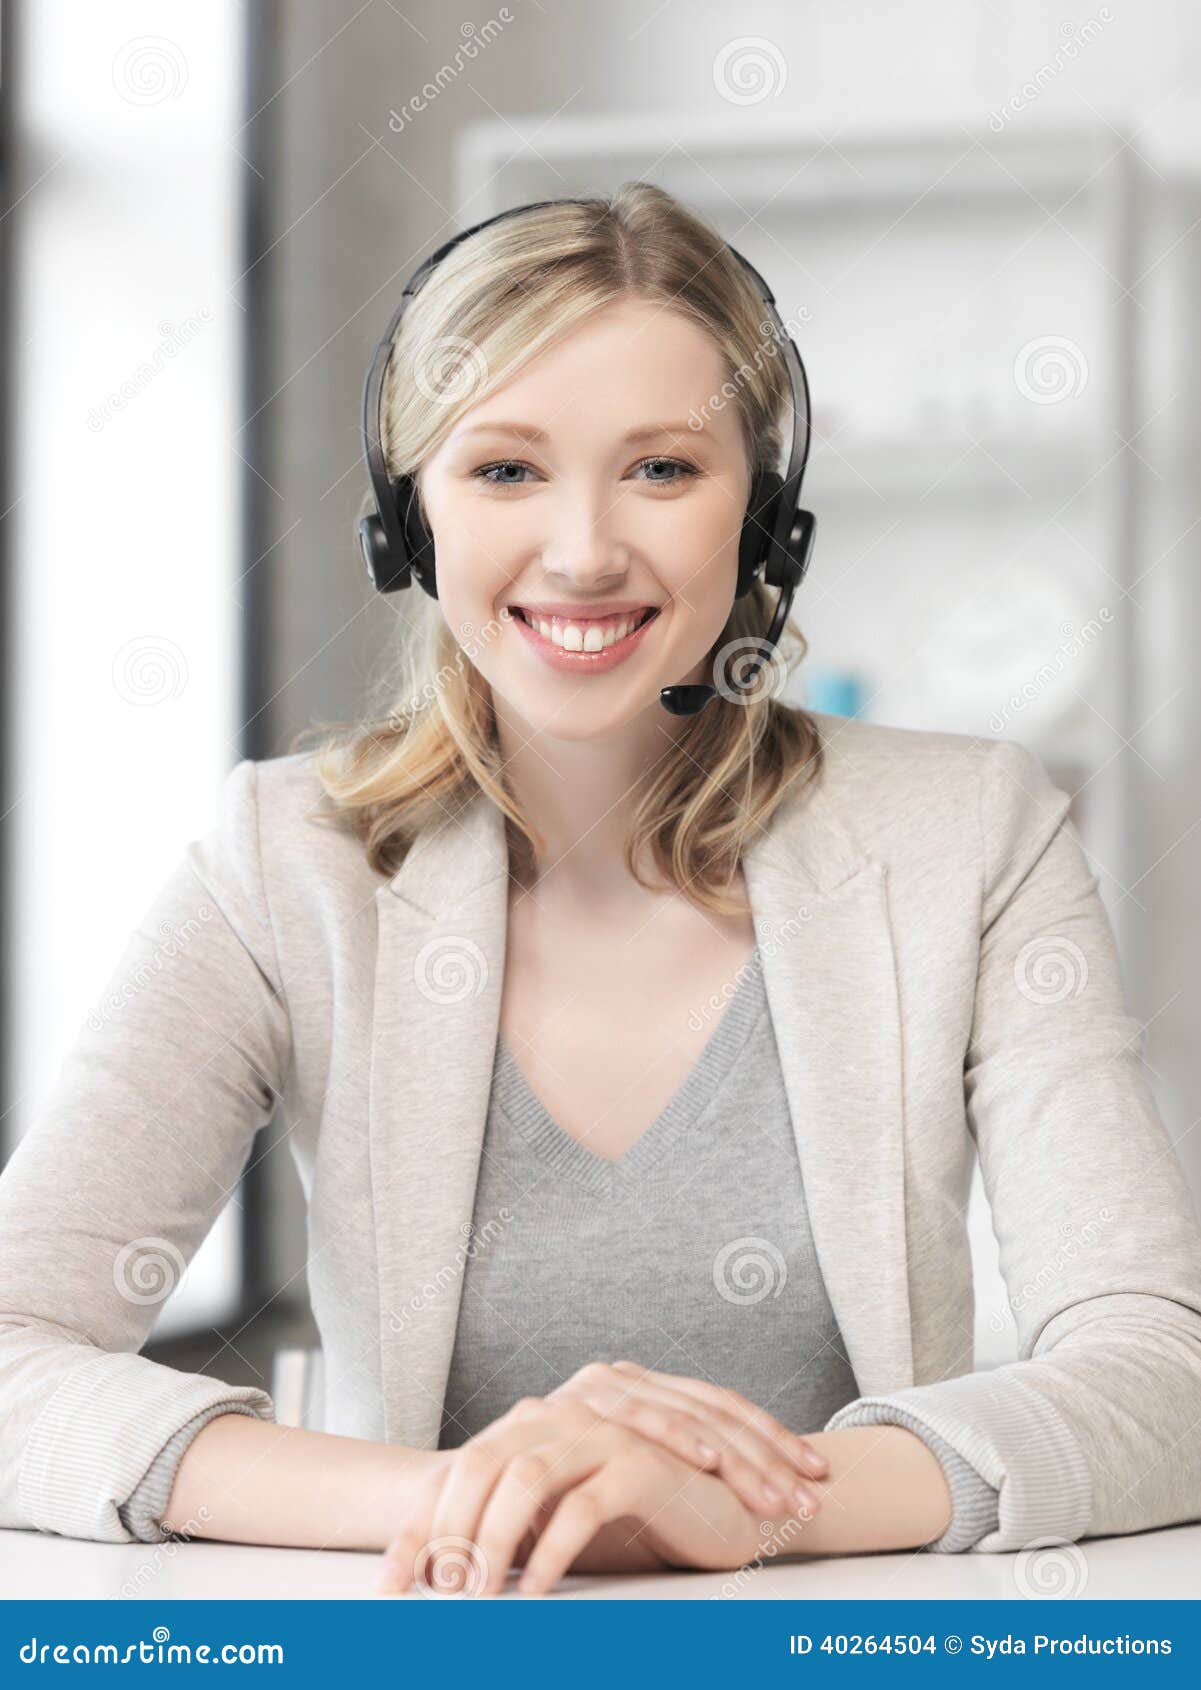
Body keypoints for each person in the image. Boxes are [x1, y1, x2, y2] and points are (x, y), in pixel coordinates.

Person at [2, 186, 1199, 1599]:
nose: (580, 551)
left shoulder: (972, 834)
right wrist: (475, 1493)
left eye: (662, 468)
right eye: (505, 469)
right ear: (408, 520)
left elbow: (1163, 1374)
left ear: (766, 518)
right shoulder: (286, 860)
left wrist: (748, 1509)